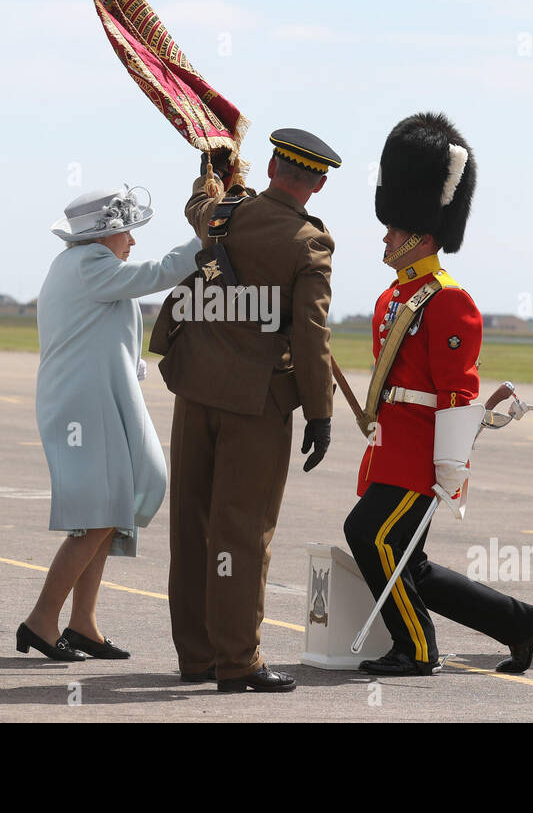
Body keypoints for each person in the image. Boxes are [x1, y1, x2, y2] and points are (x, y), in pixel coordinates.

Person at [342, 112, 533, 677]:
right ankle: (520, 622)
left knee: (367, 535)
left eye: (396, 228)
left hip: (421, 455)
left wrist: (451, 465)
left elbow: (458, 392)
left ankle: (416, 646)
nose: (386, 236)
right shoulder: (395, 298)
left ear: (424, 234)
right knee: (412, 563)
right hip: (393, 446)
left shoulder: (448, 300)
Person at [150, 129, 339, 693]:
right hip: (254, 403)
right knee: (241, 534)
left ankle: (197, 656)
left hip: (195, 390)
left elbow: (196, 205)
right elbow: (310, 335)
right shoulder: (310, 243)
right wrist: (320, 414)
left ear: (275, 165)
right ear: (319, 184)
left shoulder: (223, 214)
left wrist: (215, 171)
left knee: (191, 524)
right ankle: (238, 663)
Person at [17, 185, 199, 661]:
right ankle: (42, 620)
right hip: (85, 405)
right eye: (126, 232)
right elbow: (158, 273)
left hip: (91, 399)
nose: (131, 242)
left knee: (109, 509)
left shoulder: (75, 265)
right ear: (104, 234)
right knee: (98, 516)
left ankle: (82, 623)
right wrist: (204, 239)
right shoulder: (90, 266)